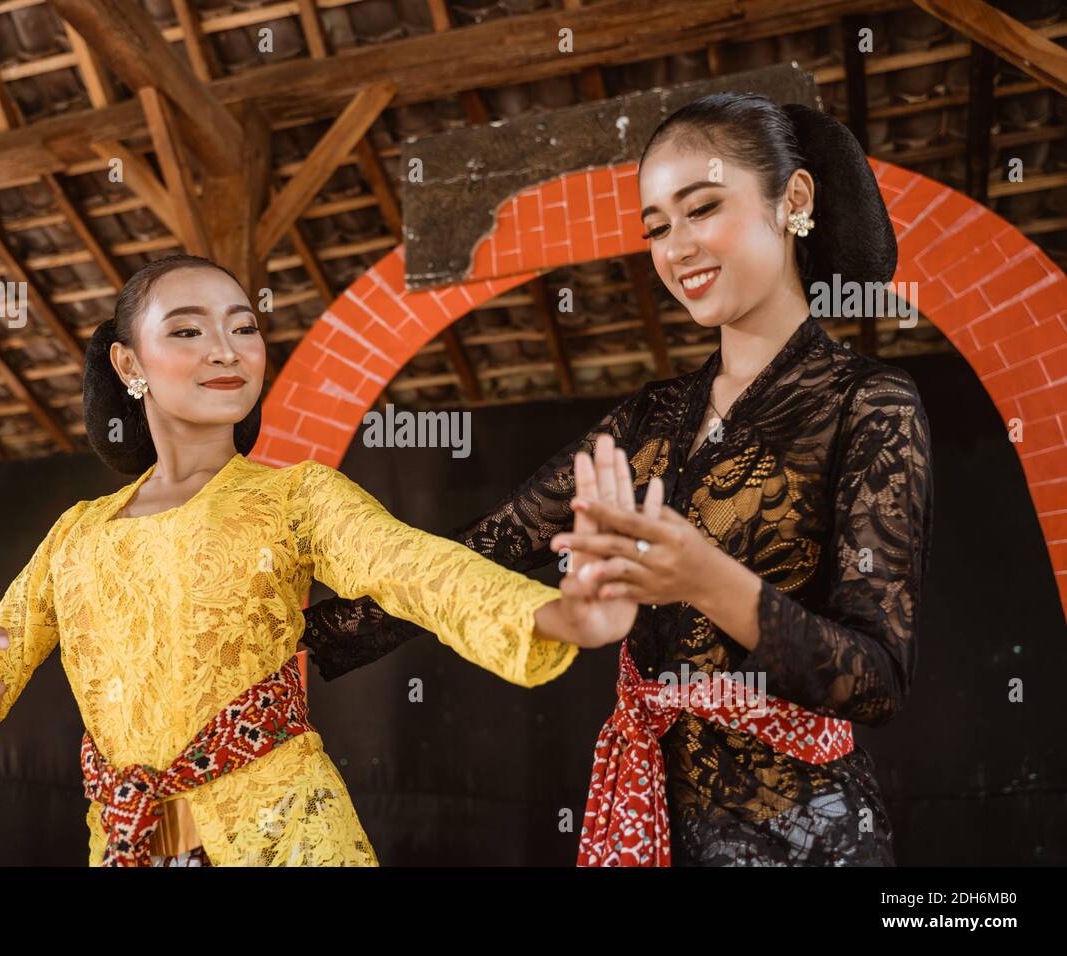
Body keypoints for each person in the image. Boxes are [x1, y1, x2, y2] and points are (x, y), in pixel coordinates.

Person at [301, 93, 935, 866]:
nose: (678, 249)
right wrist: (292, 643)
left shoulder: (869, 405)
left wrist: (705, 577)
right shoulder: (646, 421)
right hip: (649, 818)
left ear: (793, 199)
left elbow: (875, 684)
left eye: (701, 209)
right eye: (658, 228)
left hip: (808, 834)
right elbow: (482, 552)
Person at [0, 254, 637, 867]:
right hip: (125, 849)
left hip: (290, 840)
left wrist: (557, 613)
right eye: (188, 329)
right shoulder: (75, 537)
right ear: (129, 363)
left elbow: (411, 567)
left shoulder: (296, 497)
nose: (226, 350)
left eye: (243, 328)